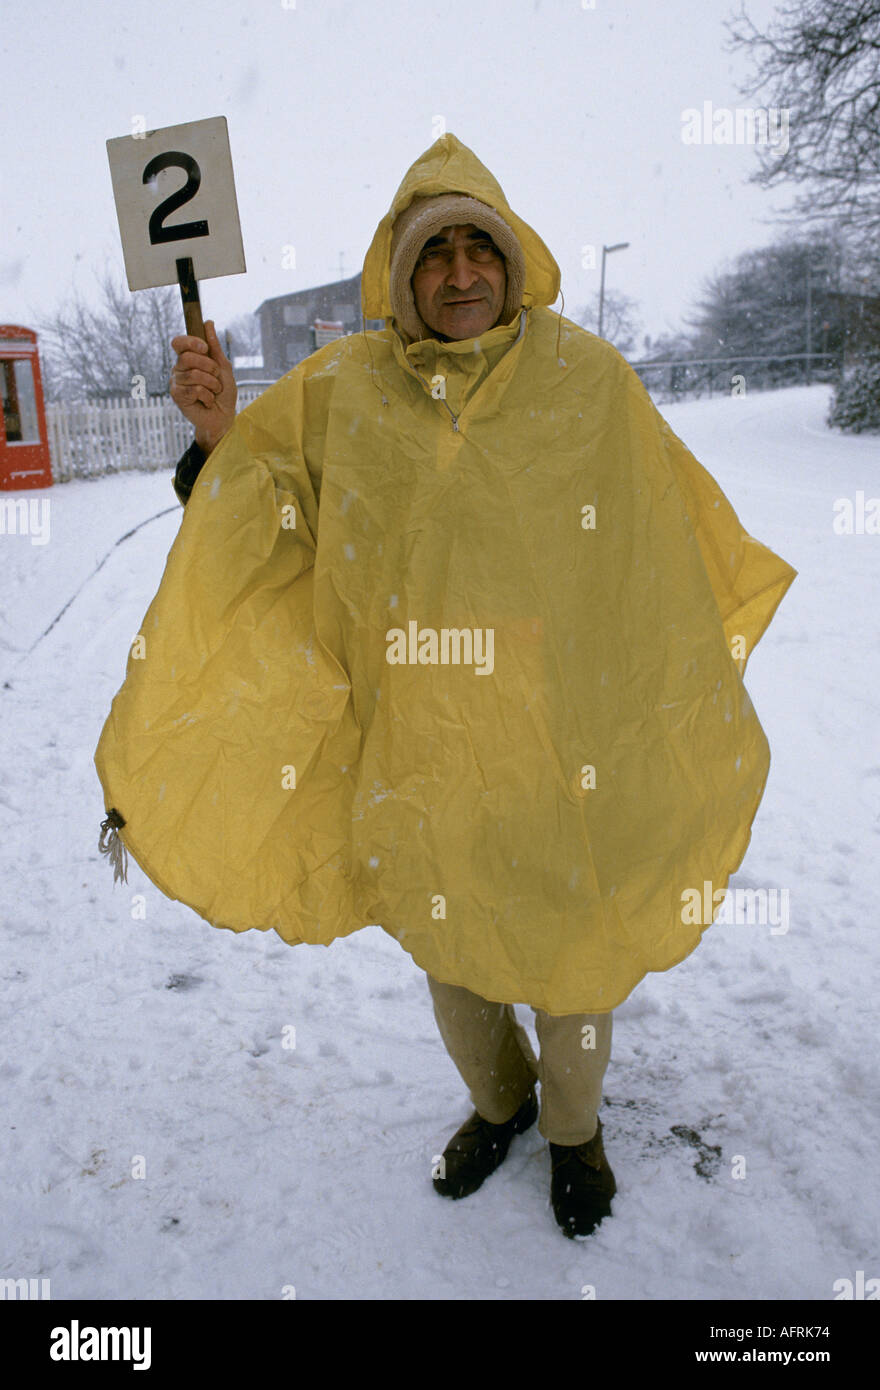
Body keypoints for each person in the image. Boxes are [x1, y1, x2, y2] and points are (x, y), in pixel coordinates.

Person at [96, 133, 796, 1241]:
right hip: (422, 748)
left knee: (571, 958)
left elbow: (666, 543)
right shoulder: (343, 393)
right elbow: (277, 521)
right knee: (451, 952)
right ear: (399, 271)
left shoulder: (588, 382)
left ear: (515, 266)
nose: (461, 272)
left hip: (570, 742)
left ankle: (573, 1133)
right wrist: (223, 434)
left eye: (482, 247)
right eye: (436, 253)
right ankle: (499, 1102)